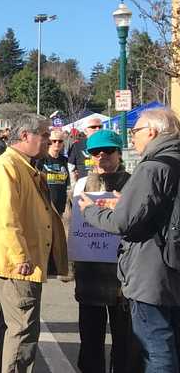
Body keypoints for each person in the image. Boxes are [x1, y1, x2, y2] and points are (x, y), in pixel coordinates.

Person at [80, 108, 180, 373]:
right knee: (167, 346)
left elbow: (121, 222)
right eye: (95, 152)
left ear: (153, 132)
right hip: (162, 265)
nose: (132, 138)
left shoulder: (149, 169)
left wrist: (90, 210)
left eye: (135, 132)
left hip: (149, 270)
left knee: (154, 349)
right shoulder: (172, 162)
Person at [0, 113, 68, 373]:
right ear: (25, 136)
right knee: (22, 329)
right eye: (45, 135)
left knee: (15, 326)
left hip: (22, 259)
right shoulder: (7, 167)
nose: (50, 140)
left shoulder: (20, 165)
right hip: (18, 262)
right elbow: (6, 218)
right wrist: (19, 257)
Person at [70, 130, 143, 373]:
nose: (102, 157)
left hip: (122, 272)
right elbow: (71, 223)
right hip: (90, 270)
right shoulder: (82, 184)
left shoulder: (133, 182)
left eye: (108, 152)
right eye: (95, 153)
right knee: (90, 334)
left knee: (124, 336)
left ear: (119, 154)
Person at [41, 129, 70, 215]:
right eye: (54, 141)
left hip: (60, 205)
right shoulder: (41, 160)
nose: (57, 143)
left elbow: (67, 182)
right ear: (49, 142)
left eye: (60, 141)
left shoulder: (65, 160)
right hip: (45, 205)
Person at [69, 116, 105, 184]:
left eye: (100, 127)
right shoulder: (77, 145)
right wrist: (74, 186)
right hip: (84, 185)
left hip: (104, 184)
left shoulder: (108, 145)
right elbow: (71, 168)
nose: (97, 129)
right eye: (93, 127)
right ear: (85, 131)